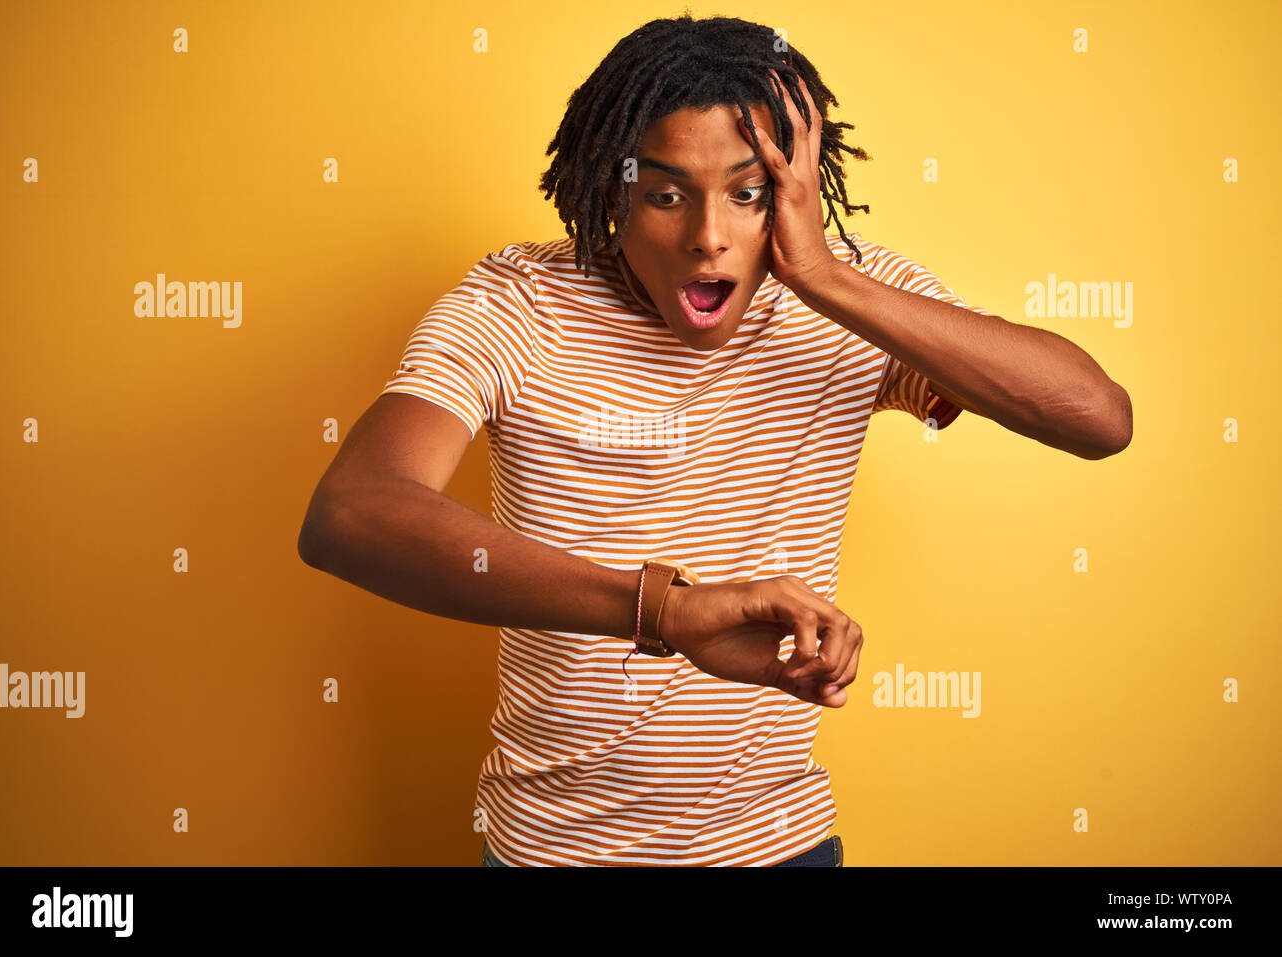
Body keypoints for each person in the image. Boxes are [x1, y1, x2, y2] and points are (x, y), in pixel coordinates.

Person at [297, 14, 1132, 867]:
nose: (708, 233)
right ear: (608, 190)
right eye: (666, 194)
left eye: (748, 192)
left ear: (797, 193)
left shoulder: (848, 304)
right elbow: (353, 512)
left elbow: (1096, 417)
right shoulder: (518, 305)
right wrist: (664, 608)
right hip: (554, 853)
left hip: (784, 847)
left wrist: (823, 275)